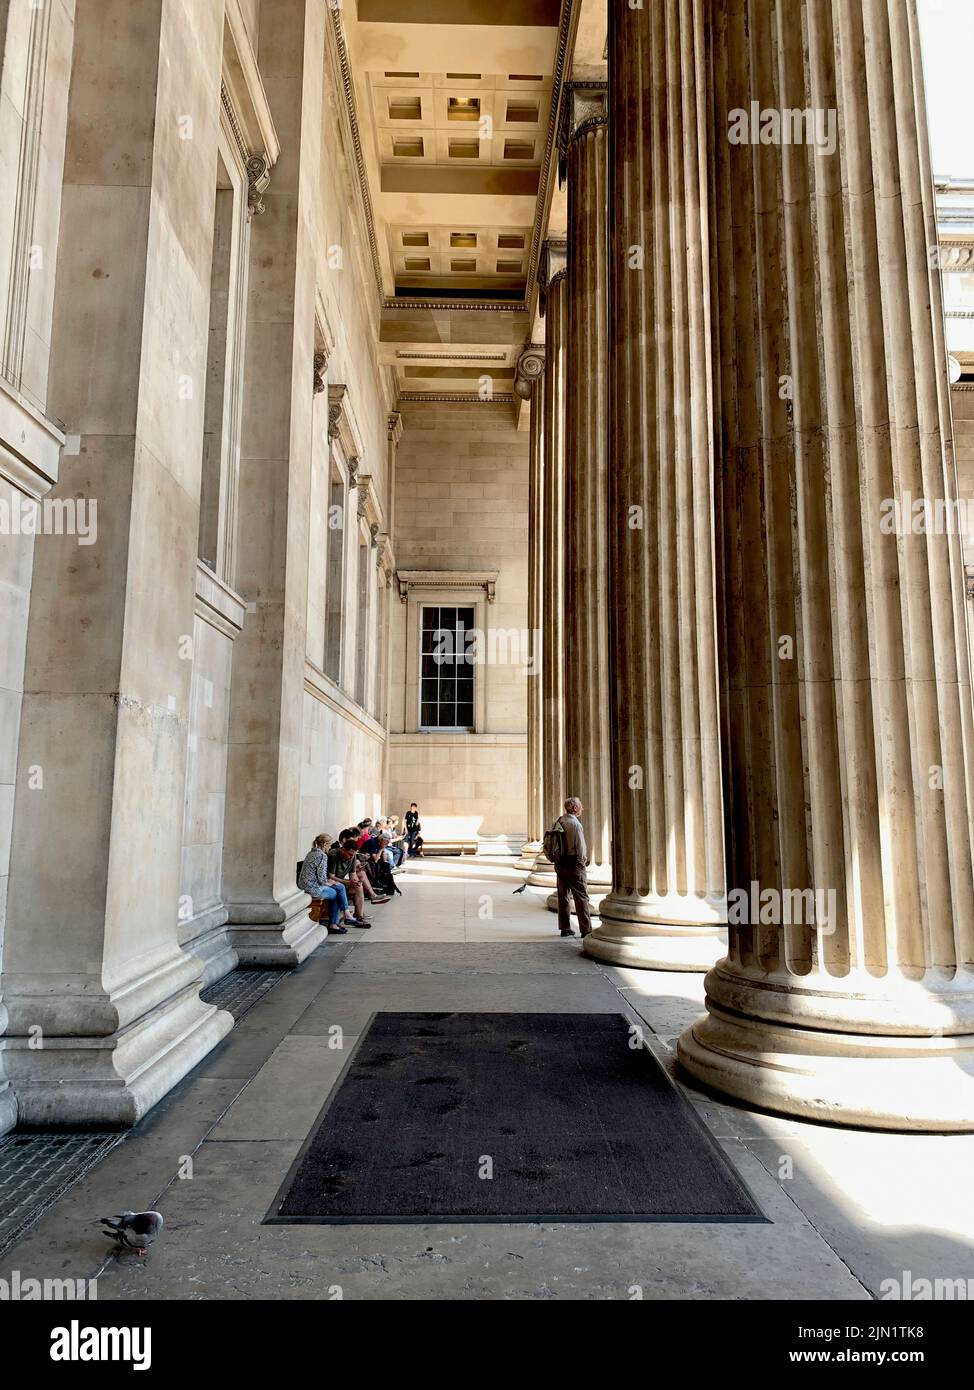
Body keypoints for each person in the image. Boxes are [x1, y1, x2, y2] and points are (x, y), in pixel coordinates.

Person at [551, 796, 593, 939]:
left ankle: (565, 927)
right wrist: (582, 863)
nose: (582, 808)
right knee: (581, 897)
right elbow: (581, 848)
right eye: (580, 806)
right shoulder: (575, 824)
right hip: (573, 864)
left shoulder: (560, 820)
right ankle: (586, 929)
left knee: (563, 896)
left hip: (560, 864)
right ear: (575, 808)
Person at [298, 834, 356, 934]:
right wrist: (331, 883)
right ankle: (338, 921)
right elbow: (321, 879)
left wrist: (332, 883)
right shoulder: (322, 856)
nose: (330, 847)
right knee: (339, 889)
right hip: (313, 889)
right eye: (329, 845)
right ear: (325, 844)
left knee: (338, 887)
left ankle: (341, 918)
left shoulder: (311, 852)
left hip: (304, 886)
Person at [326, 837, 375, 923]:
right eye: (350, 854)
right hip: (331, 883)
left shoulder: (353, 856)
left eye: (353, 855)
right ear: (343, 849)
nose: (351, 857)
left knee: (358, 887)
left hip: (341, 881)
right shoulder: (333, 854)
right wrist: (348, 882)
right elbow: (331, 876)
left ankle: (359, 916)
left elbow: (353, 874)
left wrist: (356, 882)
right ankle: (349, 916)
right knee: (345, 886)